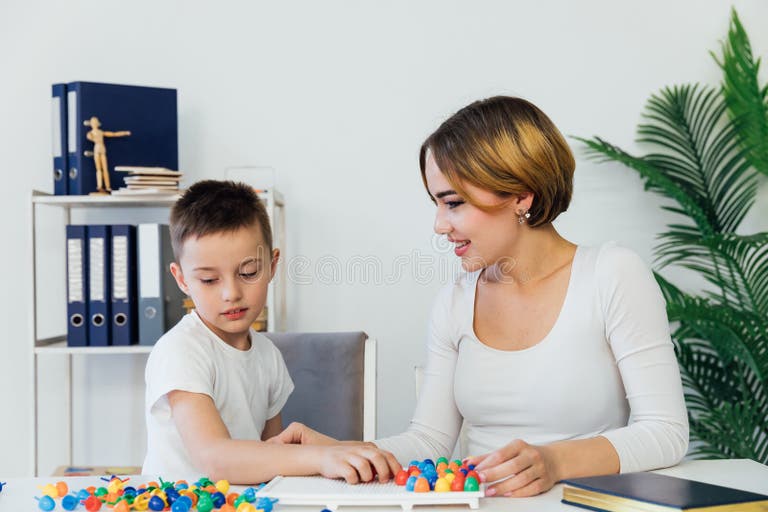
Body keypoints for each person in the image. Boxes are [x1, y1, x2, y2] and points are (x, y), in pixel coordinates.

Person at [272, 97, 689, 497]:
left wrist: (554, 462)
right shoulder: (454, 302)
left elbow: (665, 431)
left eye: (453, 203)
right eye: (436, 203)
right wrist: (342, 452)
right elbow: (430, 442)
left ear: (521, 195)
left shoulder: (611, 275)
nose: (439, 224)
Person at [143, 180, 400, 483]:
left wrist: (340, 450)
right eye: (209, 280)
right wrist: (320, 457)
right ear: (182, 279)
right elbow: (214, 458)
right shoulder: (181, 350)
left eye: (249, 272)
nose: (231, 293)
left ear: (272, 265)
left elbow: (270, 458)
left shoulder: (268, 356)